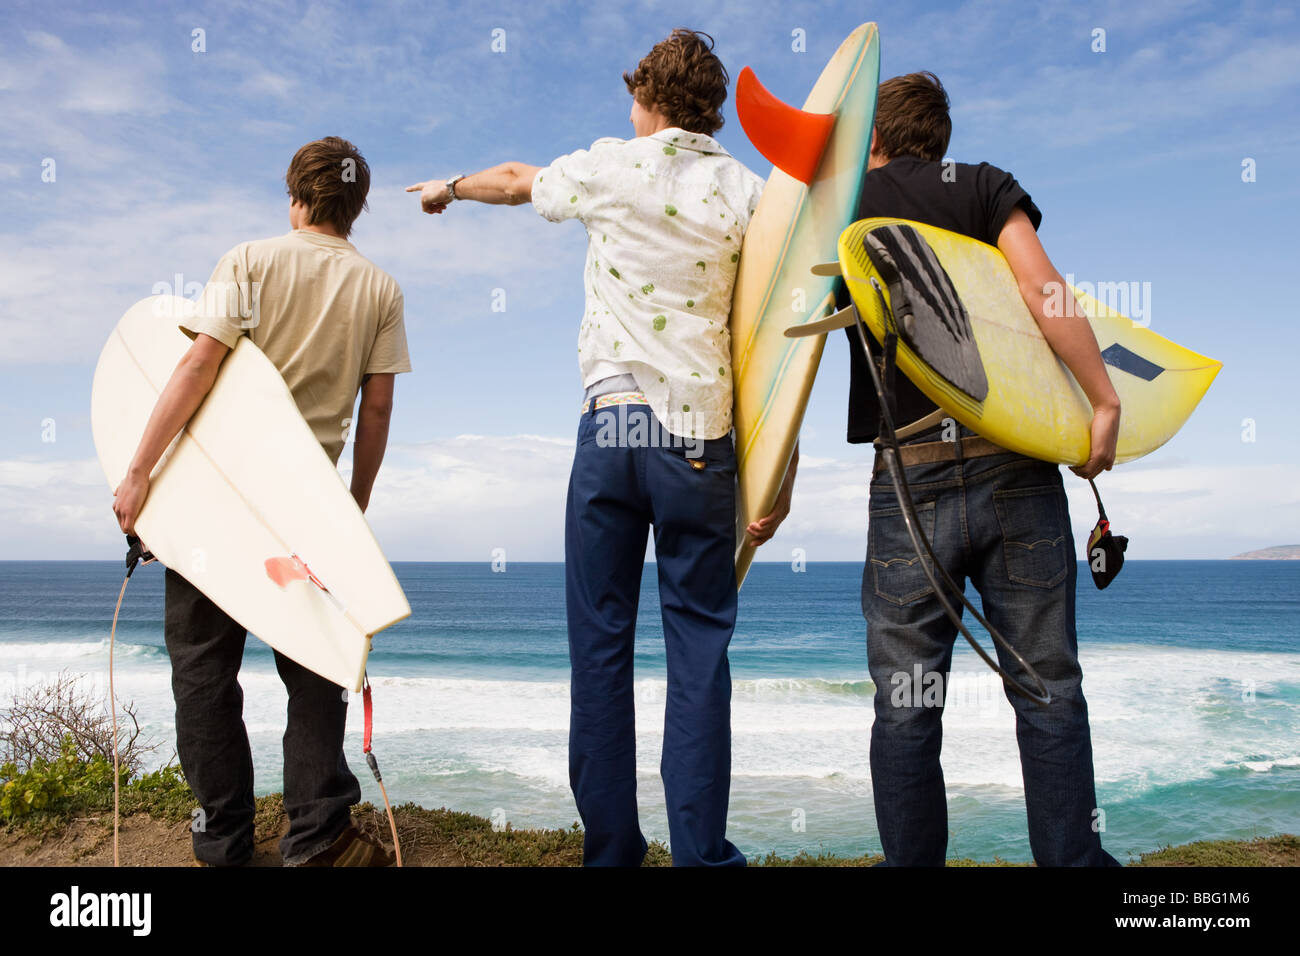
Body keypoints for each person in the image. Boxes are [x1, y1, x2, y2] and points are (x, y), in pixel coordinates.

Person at [408, 28, 791, 866]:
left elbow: (515, 181)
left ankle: (612, 851)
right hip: (699, 437)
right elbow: (778, 335)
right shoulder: (747, 192)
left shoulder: (609, 165)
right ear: (709, 109)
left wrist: (449, 188)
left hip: (613, 425)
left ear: (647, 97)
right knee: (697, 651)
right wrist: (780, 470)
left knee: (601, 643)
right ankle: (700, 855)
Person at [842, 73, 1121, 866]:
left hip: (908, 472)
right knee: (1048, 689)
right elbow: (1046, 293)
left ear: (877, 137)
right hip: (1014, 470)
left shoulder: (844, 209)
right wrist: (1101, 400)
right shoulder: (985, 186)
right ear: (940, 139)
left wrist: (770, 476)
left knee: (905, 703)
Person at [112, 136, 410, 867]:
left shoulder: (250, 260)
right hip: (306, 511)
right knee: (314, 672)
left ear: (296, 197)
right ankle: (315, 838)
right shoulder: (381, 289)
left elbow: (197, 366)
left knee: (203, 670)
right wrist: (351, 512)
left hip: (218, 504)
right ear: (357, 207)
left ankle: (224, 836)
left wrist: (141, 470)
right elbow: (375, 415)